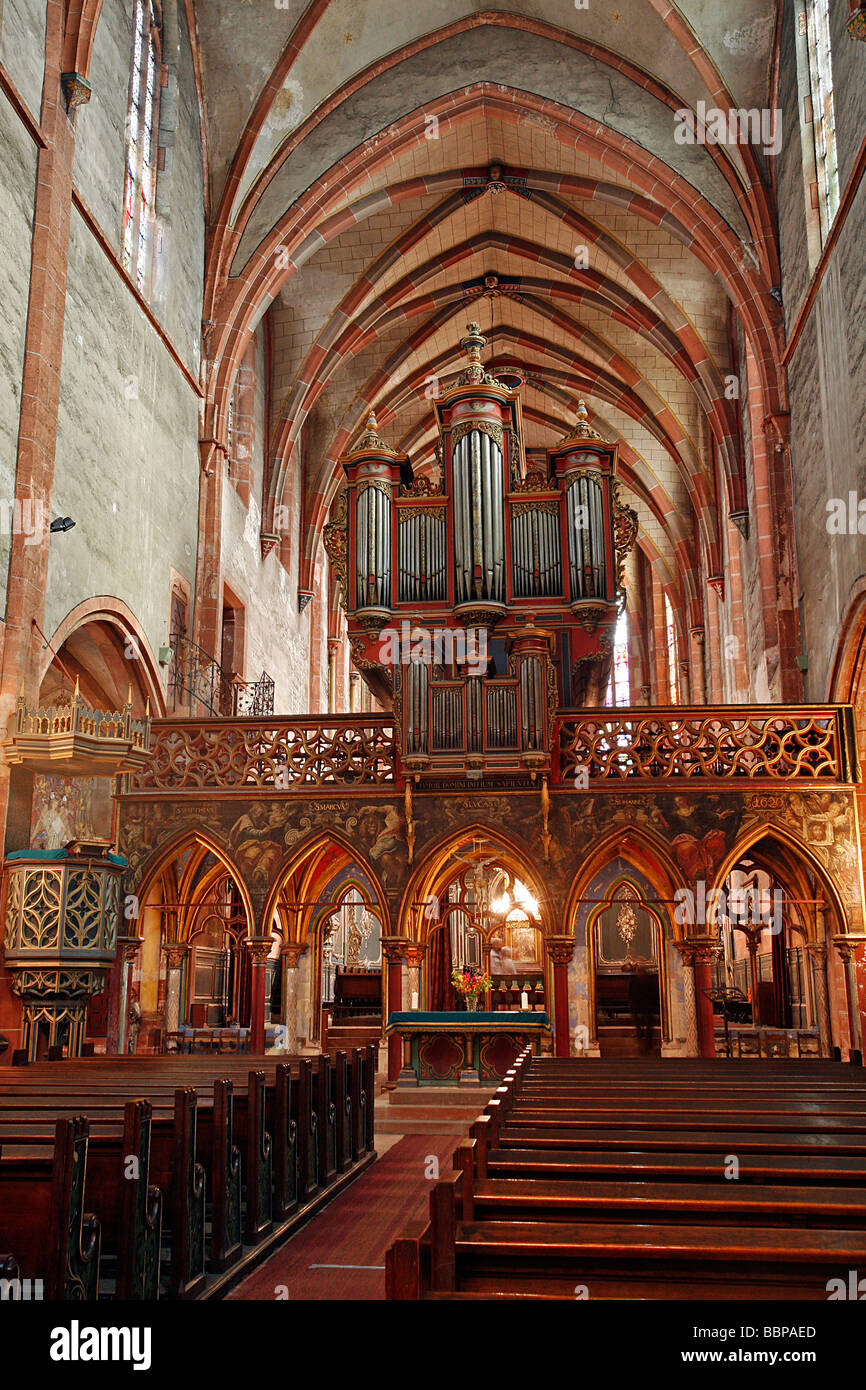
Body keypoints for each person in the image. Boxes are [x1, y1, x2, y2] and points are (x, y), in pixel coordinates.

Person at [628, 963, 657, 1054]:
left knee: (648, 1027)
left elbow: (653, 994)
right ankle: (641, 1042)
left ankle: (647, 1045)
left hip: (646, 1007)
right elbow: (630, 995)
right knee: (639, 1026)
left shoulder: (648, 981)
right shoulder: (634, 981)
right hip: (638, 1006)